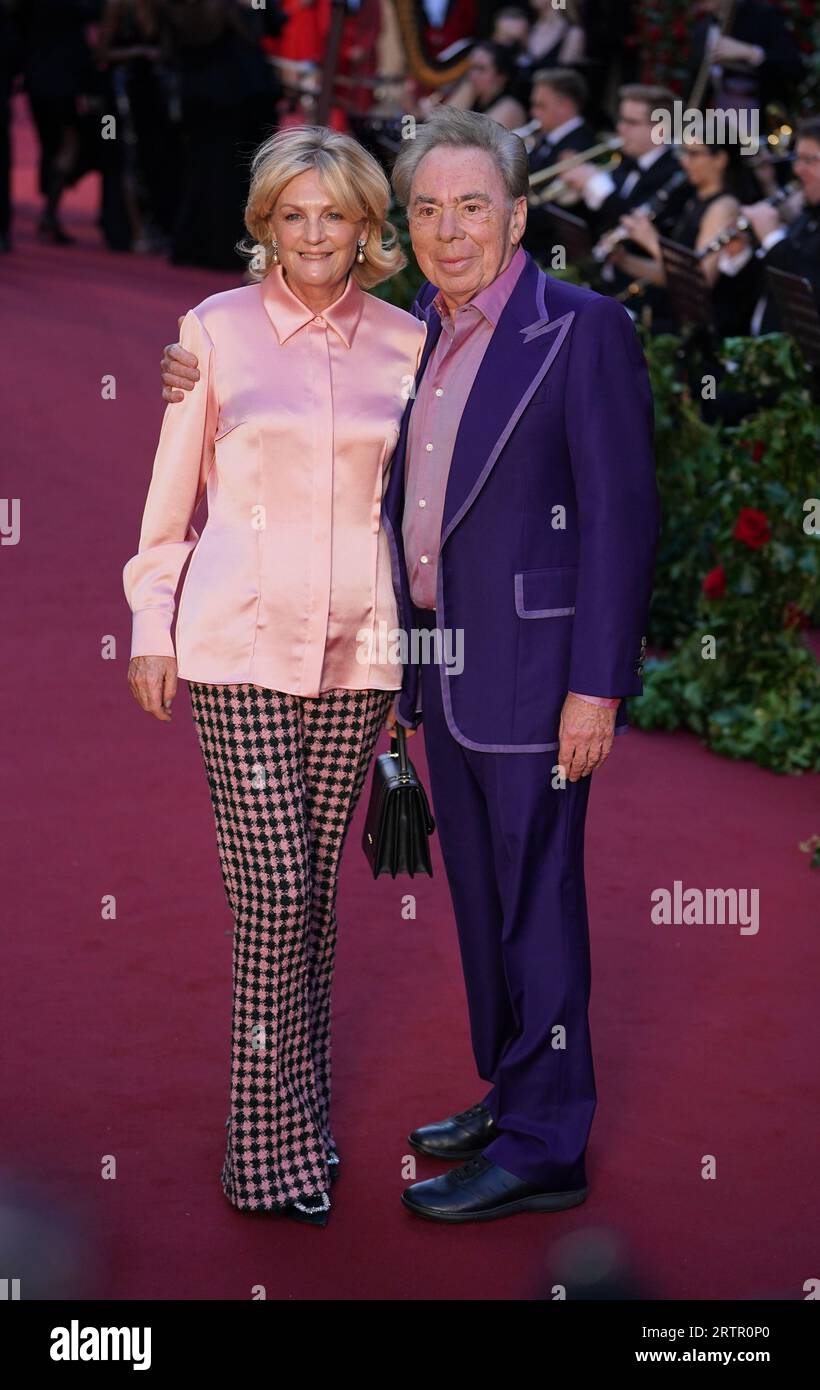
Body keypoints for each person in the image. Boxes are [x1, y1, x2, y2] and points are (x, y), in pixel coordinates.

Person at [162, 107, 660, 1224]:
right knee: (484, 908)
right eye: (427, 207)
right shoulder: (413, 333)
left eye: (471, 205)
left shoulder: (579, 328)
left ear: (518, 214)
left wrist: (597, 686)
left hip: (540, 683)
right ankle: (512, 1092)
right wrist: (194, 359)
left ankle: (545, 1143)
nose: (447, 228)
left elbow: (625, 519)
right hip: (437, 671)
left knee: (538, 908)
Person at [124, 125, 426, 1226]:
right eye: (291, 216)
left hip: (360, 653)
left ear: (364, 229)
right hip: (236, 644)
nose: (312, 236)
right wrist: (150, 622)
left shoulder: (407, 344)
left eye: (332, 217)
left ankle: (304, 1114)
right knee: (275, 895)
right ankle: (265, 1151)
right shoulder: (209, 332)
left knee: (314, 901)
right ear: (265, 226)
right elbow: (169, 507)